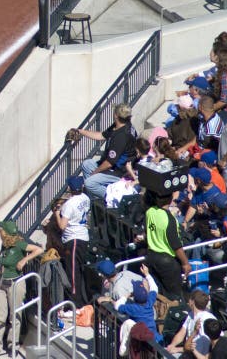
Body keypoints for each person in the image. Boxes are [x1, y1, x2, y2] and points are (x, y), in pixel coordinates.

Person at [0, 219, 43, 358]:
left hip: (15, 283)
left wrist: (24, 260)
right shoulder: (4, 245)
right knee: (0, 317)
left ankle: (12, 344)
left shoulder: (19, 244)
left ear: (6, 232)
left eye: (1, 231)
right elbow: (3, 261)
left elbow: (39, 249)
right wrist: (1, 269)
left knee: (15, 316)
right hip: (2, 282)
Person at [77, 103, 138, 200]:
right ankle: (92, 200)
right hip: (112, 166)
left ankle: (112, 197)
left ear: (116, 116)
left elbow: (109, 163)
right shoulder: (120, 126)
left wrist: (94, 173)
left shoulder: (121, 136)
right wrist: (80, 131)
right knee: (87, 164)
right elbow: (102, 135)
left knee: (89, 183)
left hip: (119, 172)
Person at [144, 190, 191, 301]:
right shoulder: (170, 219)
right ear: (170, 200)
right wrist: (185, 263)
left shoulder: (149, 211)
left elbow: (147, 232)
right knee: (174, 297)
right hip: (167, 262)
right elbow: (175, 244)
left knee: (157, 293)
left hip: (151, 257)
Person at [55, 176, 91, 308]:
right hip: (83, 237)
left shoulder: (69, 204)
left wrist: (57, 213)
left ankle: (75, 305)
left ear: (70, 188)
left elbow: (62, 226)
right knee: (79, 271)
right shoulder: (86, 198)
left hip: (73, 239)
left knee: (73, 273)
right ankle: (79, 301)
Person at [115, 264, 164, 344]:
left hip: (142, 340)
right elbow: (154, 288)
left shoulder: (132, 308)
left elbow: (117, 306)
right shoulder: (149, 302)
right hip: (154, 338)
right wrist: (147, 274)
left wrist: (126, 296)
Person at [166, 289, 216, 355]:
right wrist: (172, 345)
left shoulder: (206, 320)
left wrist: (176, 349)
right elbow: (182, 332)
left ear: (192, 302)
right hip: (187, 350)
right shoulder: (191, 314)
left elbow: (199, 348)